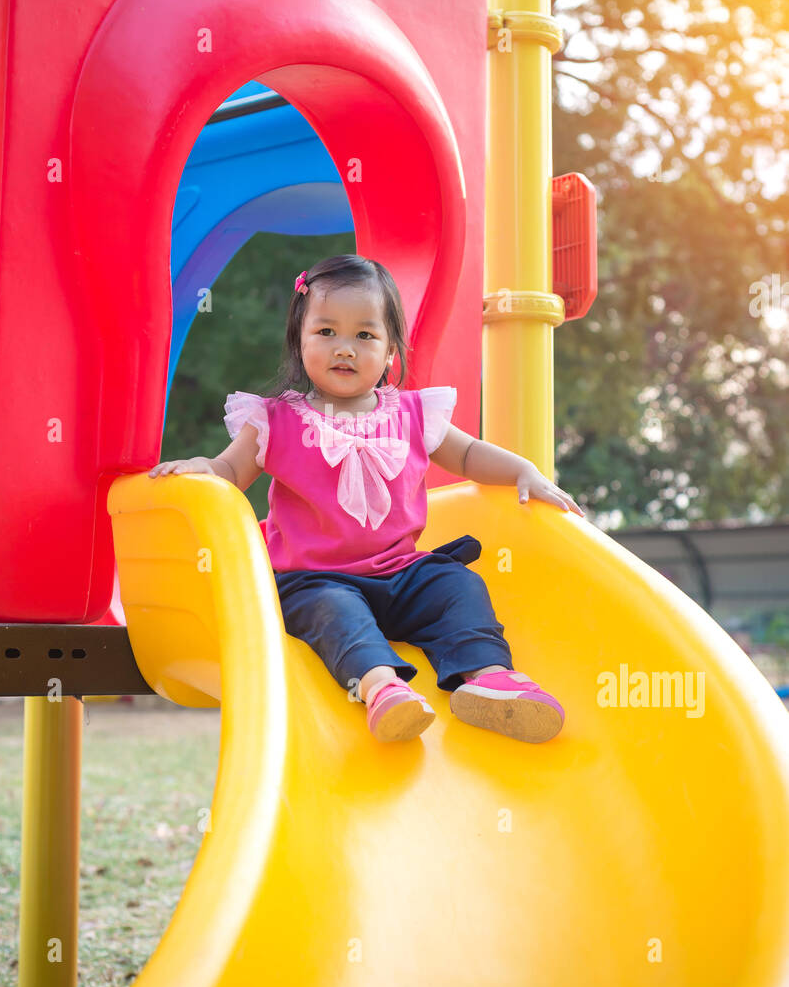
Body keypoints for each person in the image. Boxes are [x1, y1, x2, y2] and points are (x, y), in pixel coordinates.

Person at [149, 255, 585, 745]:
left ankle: (487, 678)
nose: (345, 349)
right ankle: (382, 688)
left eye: (365, 335)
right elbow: (231, 469)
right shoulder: (275, 420)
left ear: (391, 349)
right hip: (314, 580)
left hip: (402, 573)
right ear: (299, 338)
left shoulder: (415, 413)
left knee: (457, 586)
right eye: (327, 331)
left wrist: (523, 470)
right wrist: (204, 468)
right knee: (336, 614)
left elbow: (467, 454)